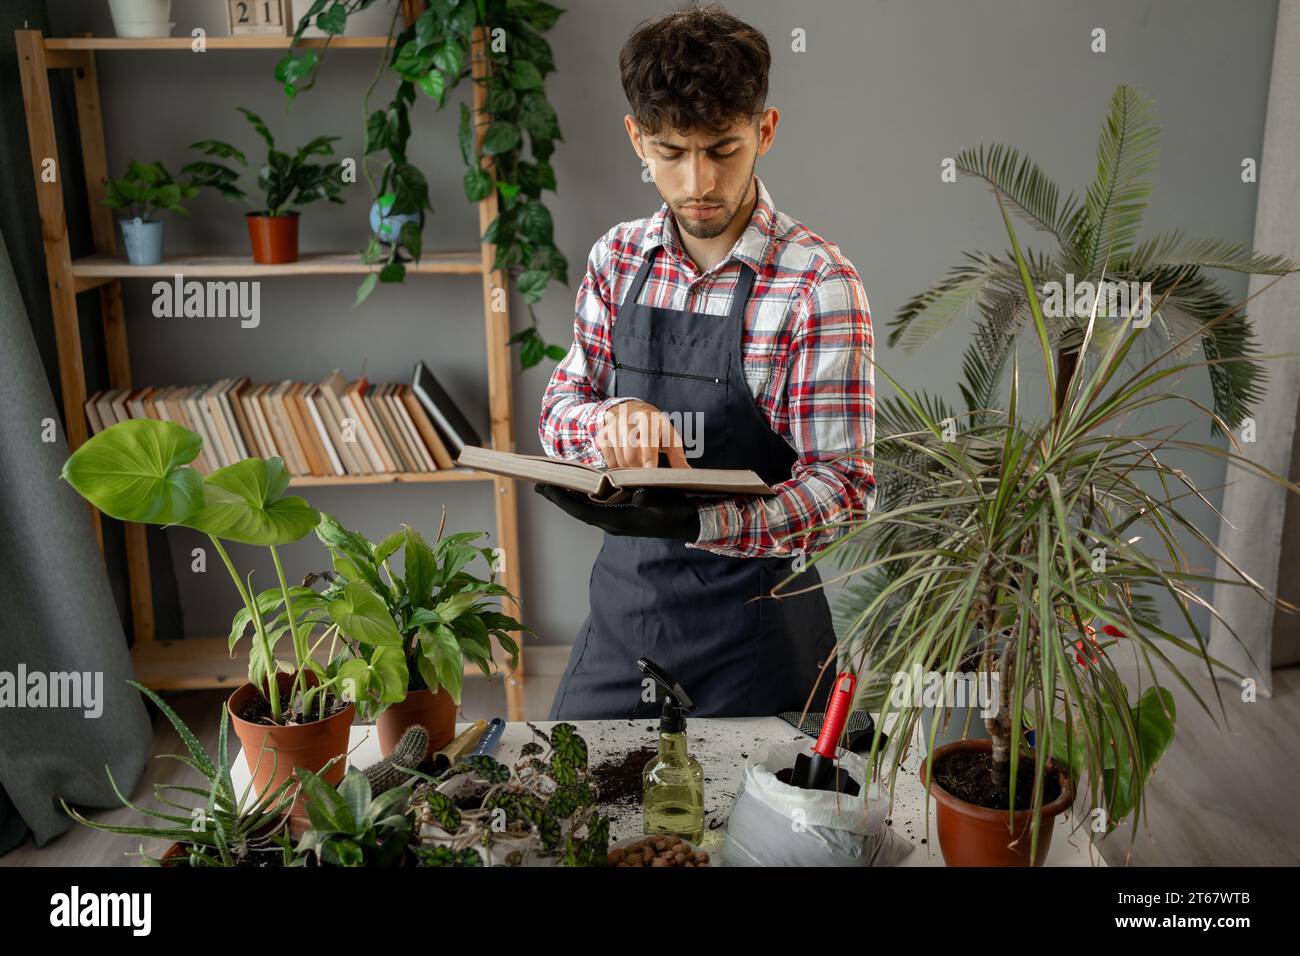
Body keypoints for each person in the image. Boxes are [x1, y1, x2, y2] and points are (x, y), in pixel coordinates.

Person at [536, 4, 875, 720]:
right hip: (624, 627)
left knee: (754, 833)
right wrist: (609, 419)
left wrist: (702, 525)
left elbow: (845, 488)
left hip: (757, 635)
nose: (698, 183)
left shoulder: (817, 286)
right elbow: (559, 409)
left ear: (765, 130)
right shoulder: (616, 258)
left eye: (723, 149)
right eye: (670, 152)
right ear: (637, 138)